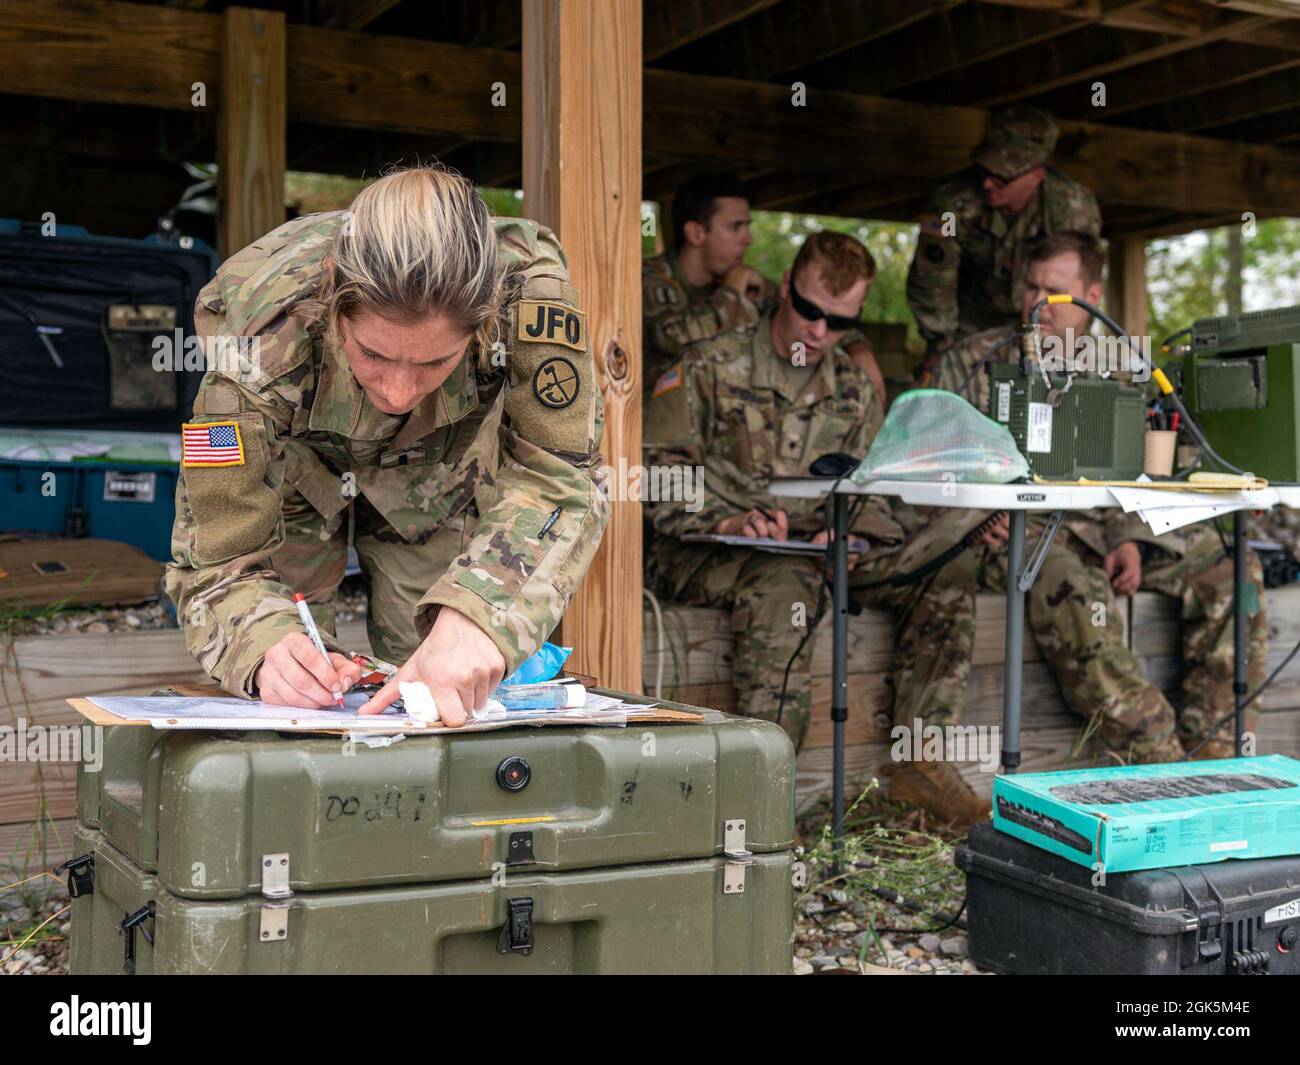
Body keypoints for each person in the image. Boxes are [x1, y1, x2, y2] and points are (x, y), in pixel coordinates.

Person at [166, 166, 610, 727]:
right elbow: (216, 559)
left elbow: (561, 479)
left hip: (440, 471)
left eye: (435, 363)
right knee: (294, 691)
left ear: (483, 322)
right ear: (332, 295)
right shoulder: (255, 340)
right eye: (373, 354)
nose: (398, 393)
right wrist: (261, 644)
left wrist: (480, 617)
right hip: (298, 472)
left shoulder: (530, 298)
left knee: (439, 683)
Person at [644, 230, 985, 824]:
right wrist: (726, 517)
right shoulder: (708, 365)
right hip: (710, 548)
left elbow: (877, 489)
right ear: (784, 289)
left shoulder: (854, 389)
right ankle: (759, 809)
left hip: (822, 550)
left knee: (946, 567)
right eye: (808, 311)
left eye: (839, 321)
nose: (820, 332)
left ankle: (919, 759)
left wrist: (854, 536)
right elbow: (655, 473)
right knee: (785, 586)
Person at [934, 230, 1267, 761]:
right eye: (1031, 287)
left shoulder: (1118, 364)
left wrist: (1132, 539)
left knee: (1233, 566)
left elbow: (1140, 469)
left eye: (1056, 291)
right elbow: (936, 459)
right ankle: (1161, 763)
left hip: (1104, 524)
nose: (1038, 304)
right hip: (1019, 530)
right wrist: (975, 512)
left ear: (1091, 294)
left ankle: (1223, 757)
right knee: (1073, 587)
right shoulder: (974, 361)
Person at [644, 173, 886, 401]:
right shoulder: (645, 281)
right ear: (696, 233)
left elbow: (810, 310)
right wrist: (730, 296)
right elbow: (669, 340)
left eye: (747, 226)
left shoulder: (744, 280)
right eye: (735, 227)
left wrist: (859, 349)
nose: (747, 238)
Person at [907, 105, 1100, 370]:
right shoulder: (953, 203)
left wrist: (1067, 347)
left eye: (1002, 178)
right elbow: (932, 279)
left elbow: (1081, 283)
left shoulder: (1072, 207)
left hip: (1042, 324)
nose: (988, 183)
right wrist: (940, 346)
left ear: (1035, 176)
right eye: (985, 171)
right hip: (968, 326)